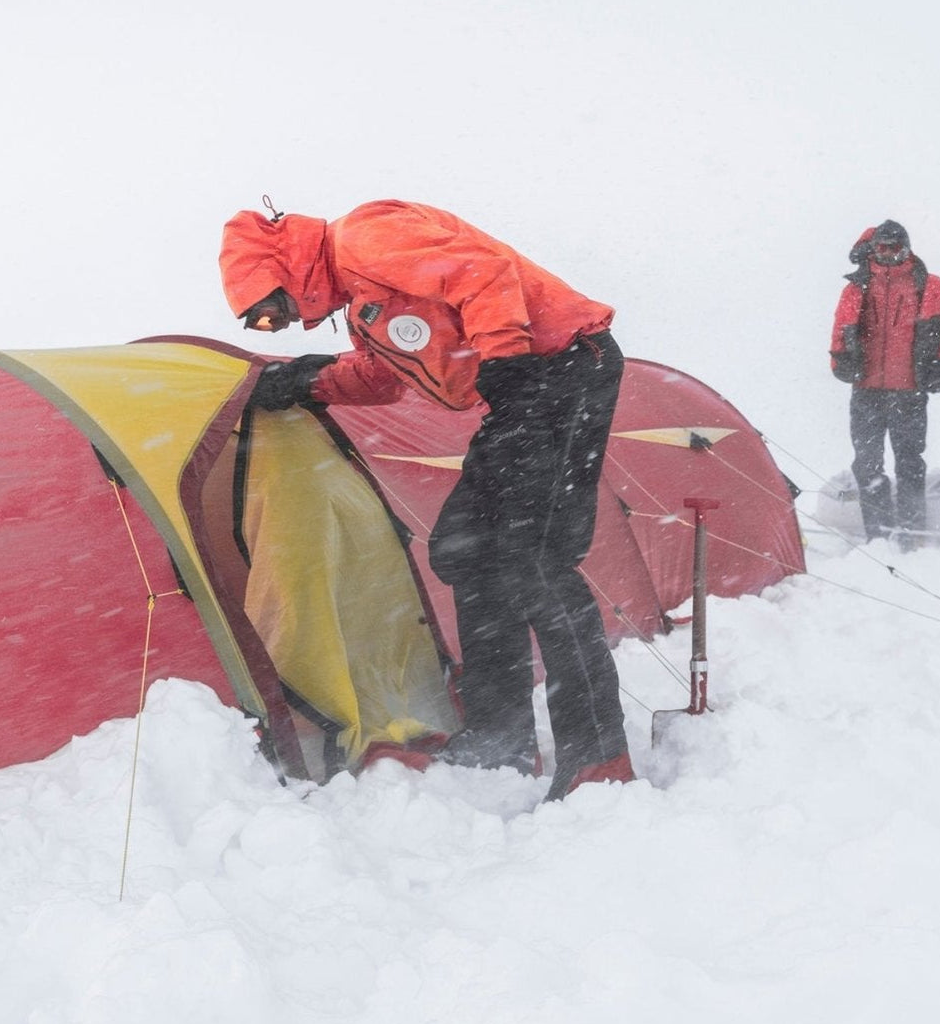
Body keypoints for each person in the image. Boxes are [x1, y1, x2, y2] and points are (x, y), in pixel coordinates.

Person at [219, 199, 633, 799]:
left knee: (532, 562)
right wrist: (305, 382)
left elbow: (483, 272)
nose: (281, 323)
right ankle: (500, 738)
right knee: (466, 552)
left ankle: (597, 754)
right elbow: (384, 377)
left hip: (559, 372)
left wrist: (506, 360)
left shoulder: (364, 237)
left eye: (271, 311)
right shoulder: (362, 303)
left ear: (282, 274)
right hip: (524, 391)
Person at [830, 219, 940, 546]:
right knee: (867, 463)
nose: (887, 254)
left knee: (909, 462)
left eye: (894, 247)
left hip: (910, 393)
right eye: (881, 247)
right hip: (866, 392)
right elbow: (839, 330)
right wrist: (839, 360)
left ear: (907, 248)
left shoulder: (931, 287)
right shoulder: (855, 288)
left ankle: (911, 532)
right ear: (873, 248)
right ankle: (880, 534)